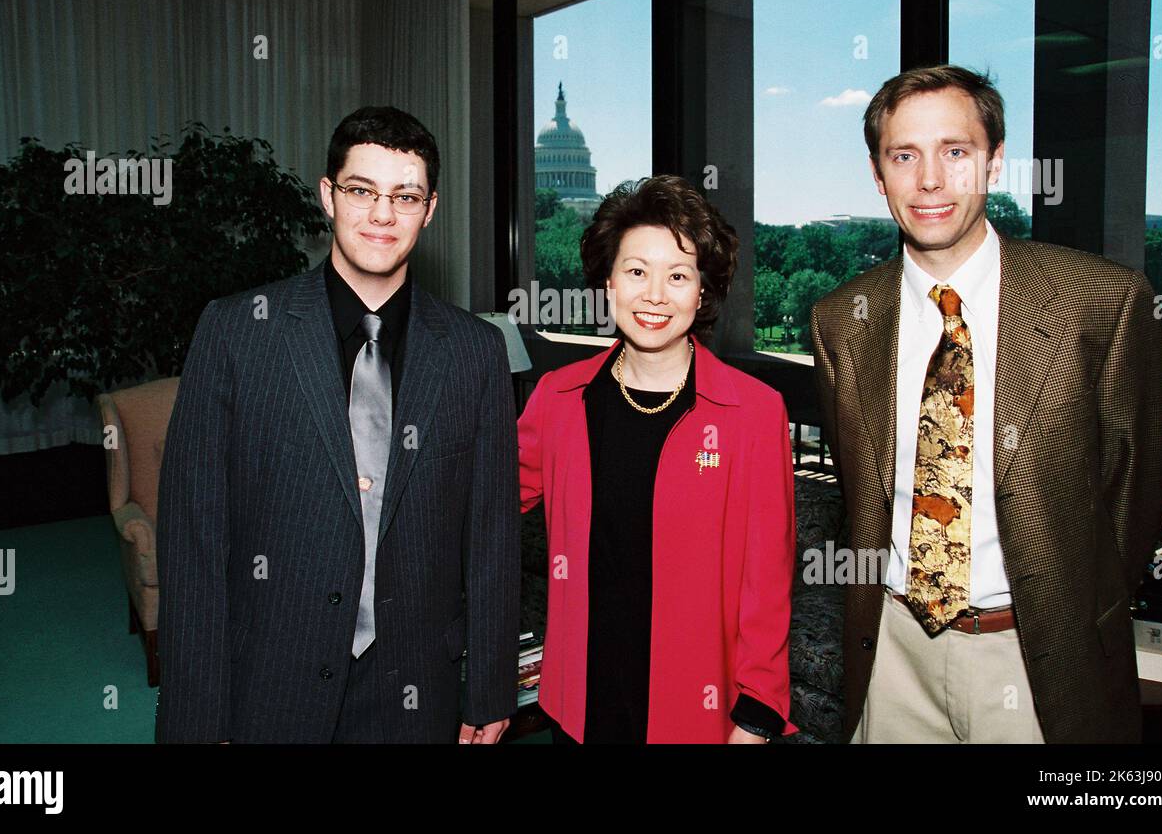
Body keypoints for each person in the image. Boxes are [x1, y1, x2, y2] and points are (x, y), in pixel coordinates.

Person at [810, 65, 1162, 743]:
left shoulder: (1103, 303)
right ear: (877, 172)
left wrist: (1076, 605)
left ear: (995, 161)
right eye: (904, 155)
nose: (929, 180)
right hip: (892, 657)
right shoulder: (841, 321)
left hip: (1040, 664)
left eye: (956, 152)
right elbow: (861, 492)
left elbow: (1139, 487)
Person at [155, 106, 519, 743]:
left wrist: (488, 689)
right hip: (267, 679)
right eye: (362, 190)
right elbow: (193, 539)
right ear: (328, 195)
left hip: (414, 686)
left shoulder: (474, 352)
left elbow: (490, 536)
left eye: (405, 196)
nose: (383, 215)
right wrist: (197, 715)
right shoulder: (239, 332)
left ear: (429, 209)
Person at [518, 175, 800, 744]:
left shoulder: (753, 412)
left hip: (696, 713)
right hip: (580, 706)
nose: (654, 295)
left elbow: (767, 581)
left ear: (702, 292)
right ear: (606, 282)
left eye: (678, 275)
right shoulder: (557, 398)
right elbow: (478, 503)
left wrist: (758, 713)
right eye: (636, 271)